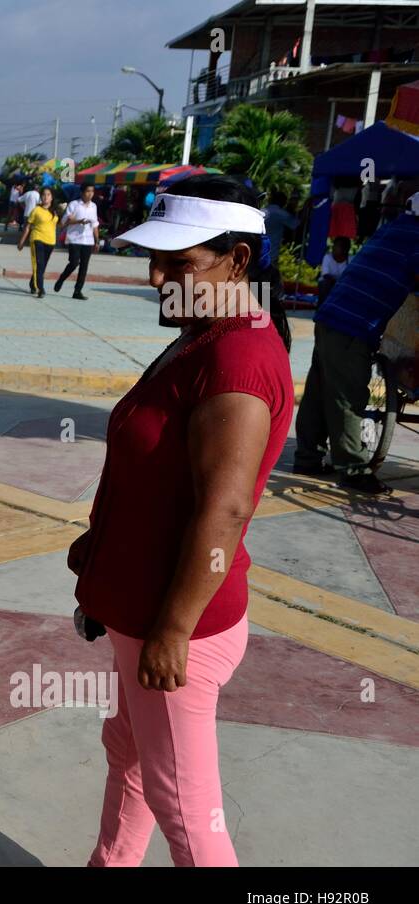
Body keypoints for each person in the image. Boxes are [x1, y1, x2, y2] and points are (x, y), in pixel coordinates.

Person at [70, 175, 294, 867]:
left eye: (180, 263)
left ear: (238, 261)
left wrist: (172, 630)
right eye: (156, 259)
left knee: (190, 817)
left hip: (177, 626)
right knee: (130, 759)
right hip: (144, 612)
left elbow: (226, 509)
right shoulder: (206, 333)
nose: (159, 277)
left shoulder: (237, 358)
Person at [293, 211, 419, 494]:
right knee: (348, 397)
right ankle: (352, 470)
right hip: (354, 323)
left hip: (332, 314)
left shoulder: (397, 226)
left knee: (318, 390)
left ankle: (307, 458)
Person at [56, 183, 100, 299]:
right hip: (74, 239)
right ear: (82, 192)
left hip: (88, 240)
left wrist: (97, 241)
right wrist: (78, 221)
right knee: (74, 262)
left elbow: (95, 225)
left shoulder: (94, 206)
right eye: (88, 191)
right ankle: (62, 278)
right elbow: (64, 223)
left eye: (92, 191)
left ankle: (77, 291)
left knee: (84, 266)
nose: (90, 194)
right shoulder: (74, 205)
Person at [17, 185, 60, 297]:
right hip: (37, 238)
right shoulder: (36, 210)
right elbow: (27, 227)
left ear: (52, 197)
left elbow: (58, 225)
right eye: (44, 195)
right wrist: (21, 241)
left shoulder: (54, 212)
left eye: (48, 195)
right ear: (41, 197)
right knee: (39, 264)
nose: (46, 197)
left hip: (50, 241)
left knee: (42, 266)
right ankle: (41, 288)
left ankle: (33, 283)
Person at [263, 190, 299, 256]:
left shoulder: (261, 211)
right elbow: (296, 225)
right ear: (282, 202)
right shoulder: (282, 214)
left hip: (257, 253)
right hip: (271, 254)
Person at [317, 236, 351, 304]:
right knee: (324, 283)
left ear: (345, 250)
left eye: (337, 246)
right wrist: (338, 283)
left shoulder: (351, 260)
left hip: (344, 285)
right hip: (330, 284)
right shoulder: (327, 257)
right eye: (334, 245)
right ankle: (322, 306)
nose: (333, 248)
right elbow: (325, 275)